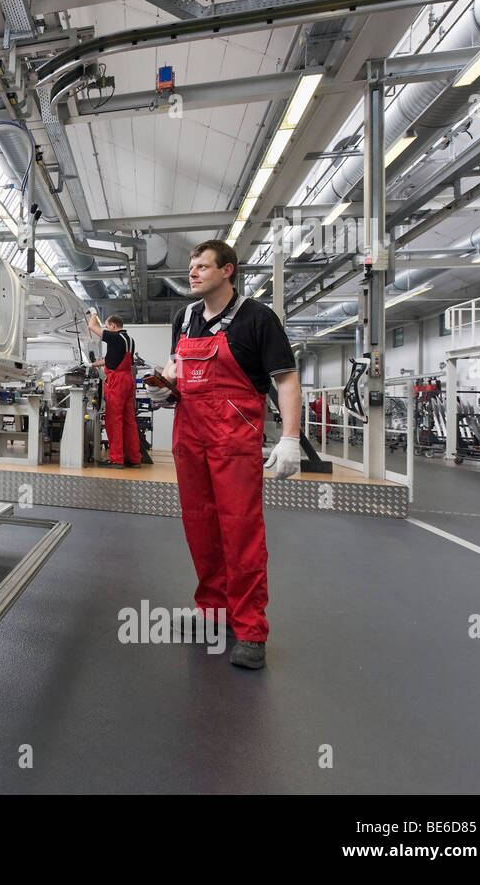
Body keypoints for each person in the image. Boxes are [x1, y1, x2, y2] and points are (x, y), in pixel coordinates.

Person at [148, 240, 302, 670]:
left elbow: (286, 380)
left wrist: (290, 437)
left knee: (240, 531)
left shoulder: (257, 318)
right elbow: (177, 368)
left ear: (227, 271)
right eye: (191, 266)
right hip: (190, 436)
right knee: (200, 526)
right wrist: (163, 388)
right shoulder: (185, 318)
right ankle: (212, 611)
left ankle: (250, 629)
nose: (192, 273)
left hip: (234, 439)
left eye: (202, 267)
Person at [87, 312, 141, 468]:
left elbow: (92, 326)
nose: (105, 328)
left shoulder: (114, 337)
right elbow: (111, 359)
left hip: (117, 381)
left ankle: (116, 459)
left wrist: (93, 314)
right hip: (128, 380)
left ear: (112, 326)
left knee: (113, 420)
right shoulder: (129, 339)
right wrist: (90, 365)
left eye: (106, 325)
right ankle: (134, 458)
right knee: (129, 420)